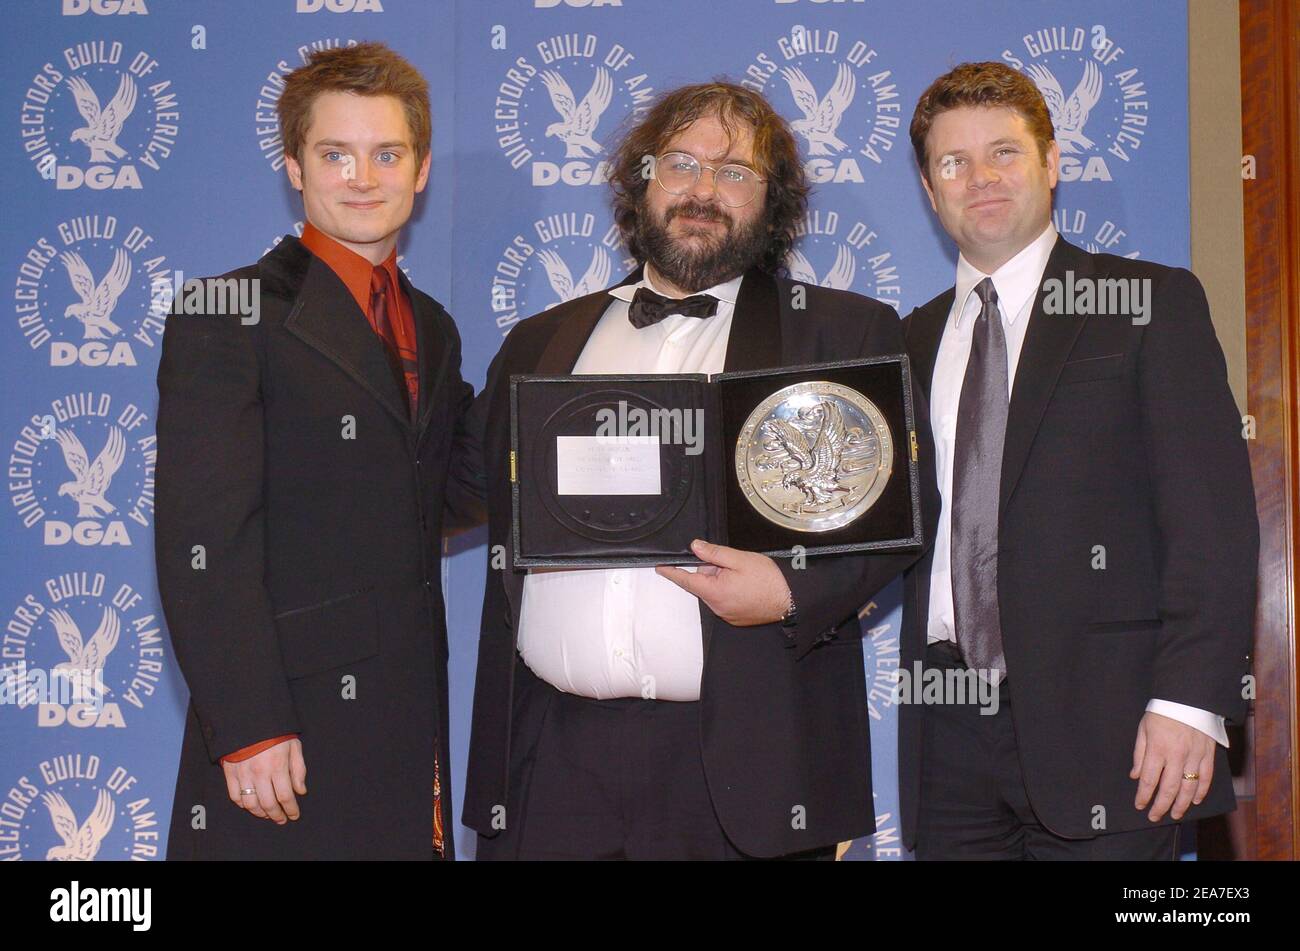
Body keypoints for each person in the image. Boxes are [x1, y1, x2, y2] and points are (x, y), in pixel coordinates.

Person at [454, 81, 939, 860]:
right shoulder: (539, 342)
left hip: (745, 771)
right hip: (550, 767)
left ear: (772, 203)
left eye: (736, 172)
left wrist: (788, 591)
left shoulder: (838, 333)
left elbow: (901, 508)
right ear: (641, 178)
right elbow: (460, 486)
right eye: (680, 162)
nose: (704, 190)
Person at [898, 61, 1258, 859]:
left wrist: (1191, 702)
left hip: (1116, 729)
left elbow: (1214, 523)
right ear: (930, 190)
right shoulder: (911, 340)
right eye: (953, 162)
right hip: (948, 738)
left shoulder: (1146, 303)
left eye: (1005, 152)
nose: (980, 178)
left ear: (1053, 164)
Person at [156, 42, 480, 860]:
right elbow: (204, 540)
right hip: (286, 733)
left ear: (423, 167)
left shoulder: (431, 325)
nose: (363, 177)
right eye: (335, 153)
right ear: (295, 167)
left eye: (387, 154)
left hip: (408, 729)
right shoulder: (225, 311)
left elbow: (442, 490)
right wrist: (250, 724)